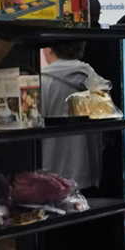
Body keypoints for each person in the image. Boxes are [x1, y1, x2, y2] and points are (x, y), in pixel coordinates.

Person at [41, 40, 103, 193]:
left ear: (49, 48)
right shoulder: (96, 83)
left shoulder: (43, 83)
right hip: (89, 177)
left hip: (52, 179)